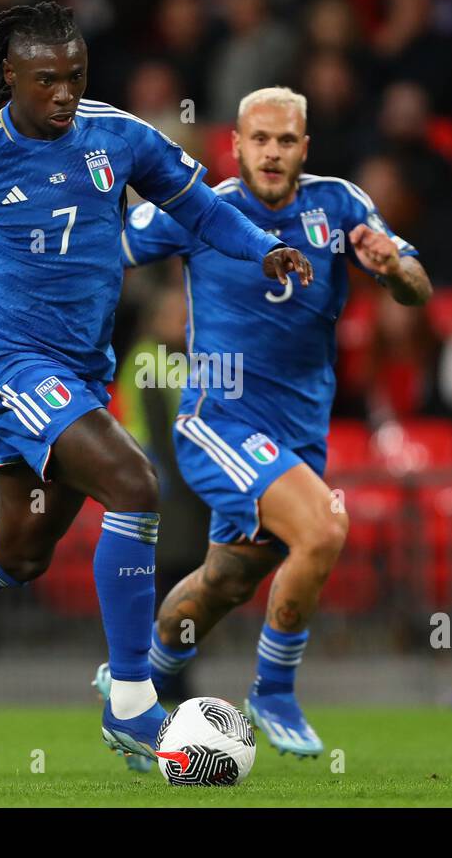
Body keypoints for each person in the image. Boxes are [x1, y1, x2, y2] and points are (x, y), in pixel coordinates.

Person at [0, 3, 312, 767]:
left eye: (76, 77)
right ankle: (131, 702)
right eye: (47, 80)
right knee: (133, 482)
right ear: (11, 78)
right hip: (9, 362)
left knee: (21, 551)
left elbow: (192, 206)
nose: (64, 94)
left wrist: (262, 249)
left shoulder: (118, 137)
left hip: (80, 368)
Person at [94, 86, 430, 764]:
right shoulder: (201, 208)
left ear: (304, 148)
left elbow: (418, 286)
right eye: (260, 139)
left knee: (226, 581)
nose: (272, 152)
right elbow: (106, 253)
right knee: (325, 526)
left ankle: (132, 686)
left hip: (299, 433)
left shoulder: (339, 206)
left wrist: (394, 268)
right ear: (237, 145)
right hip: (219, 417)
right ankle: (272, 690)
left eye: (286, 141)